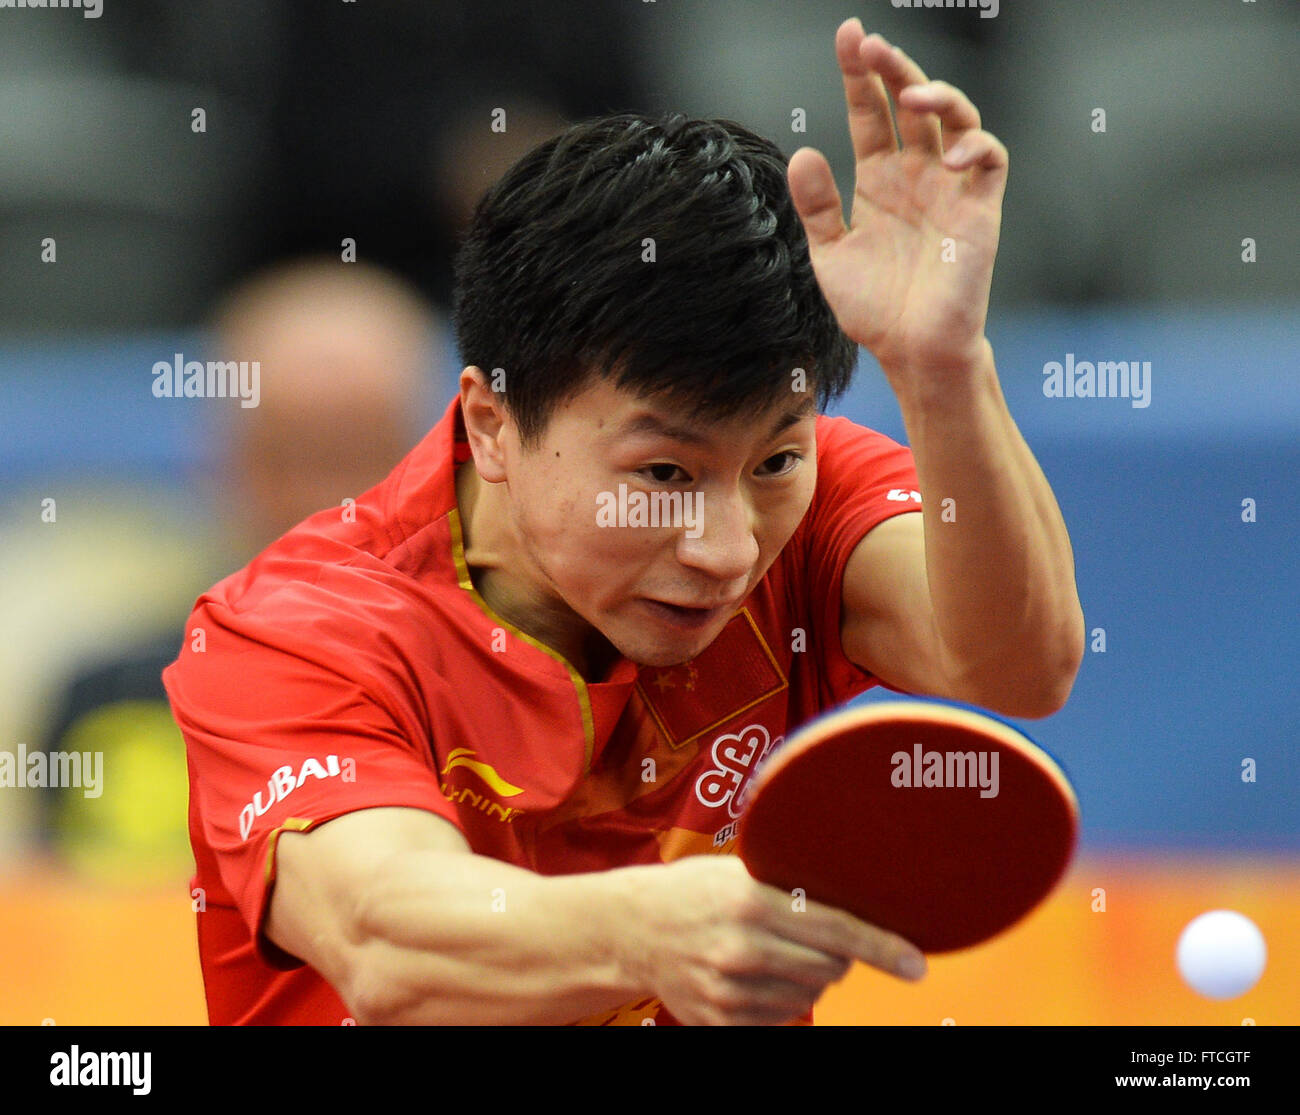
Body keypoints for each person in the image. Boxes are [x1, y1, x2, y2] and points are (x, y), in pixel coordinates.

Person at [163, 20, 1084, 1026]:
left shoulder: (815, 500)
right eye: (662, 471)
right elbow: (388, 937)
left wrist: (945, 370)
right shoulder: (295, 630)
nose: (728, 548)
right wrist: (643, 927)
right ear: (493, 422)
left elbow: (1011, 665)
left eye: (775, 457)